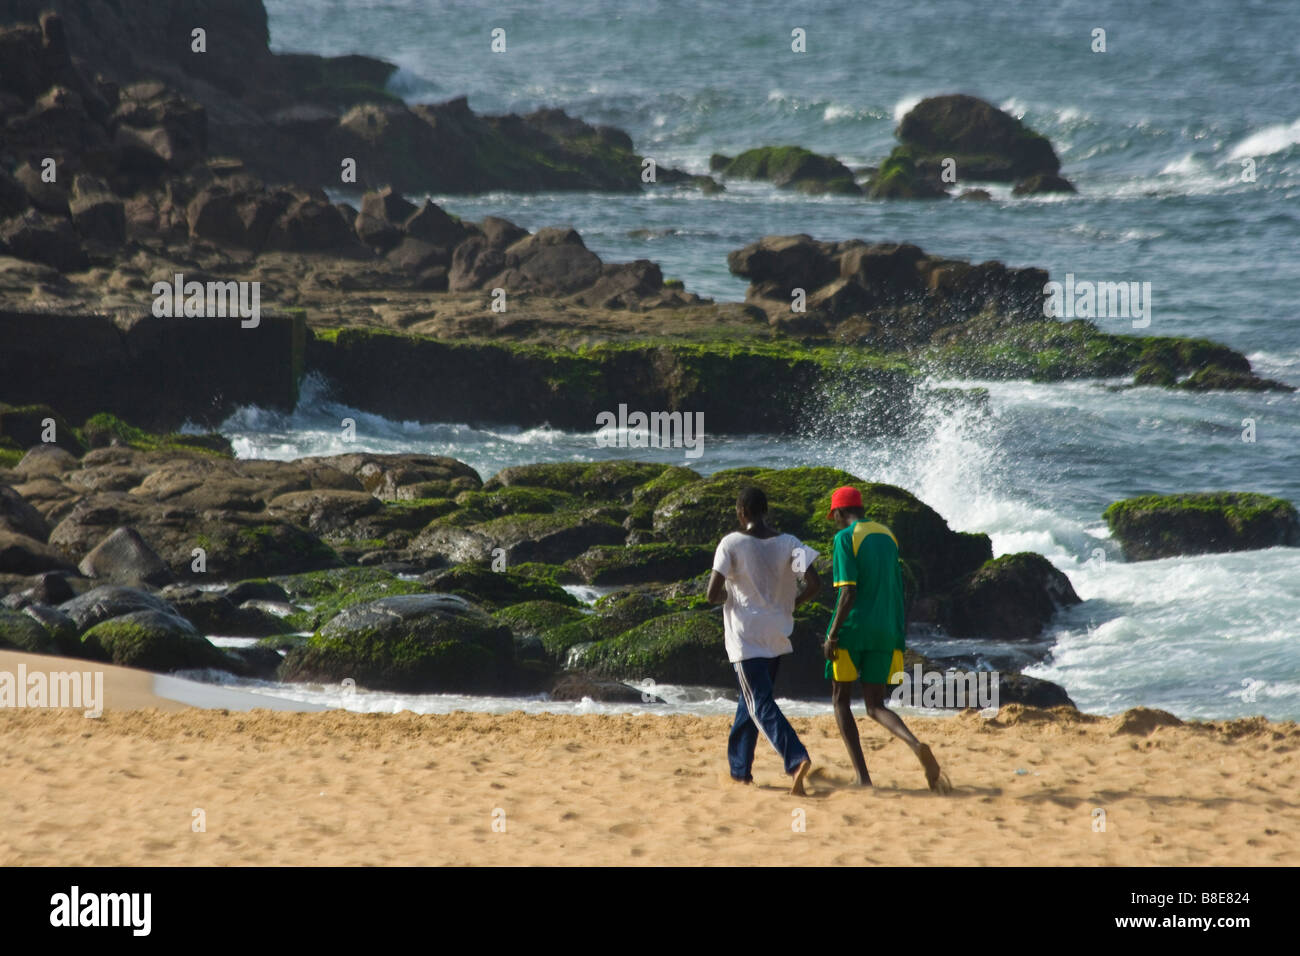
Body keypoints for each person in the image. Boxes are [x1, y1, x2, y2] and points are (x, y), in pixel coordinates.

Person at [823, 485, 950, 793]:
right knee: (876, 704)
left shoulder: (844, 538)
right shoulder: (887, 535)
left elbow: (848, 591)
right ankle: (915, 744)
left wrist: (832, 634)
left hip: (854, 629)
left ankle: (863, 778)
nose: (835, 522)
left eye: (834, 516)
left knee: (841, 700)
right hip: (887, 628)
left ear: (840, 512)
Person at [707, 486, 821, 794]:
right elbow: (814, 583)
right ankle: (740, 771)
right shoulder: (789, 543)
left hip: (747, 637)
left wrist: (725, 596)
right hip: (778, 632)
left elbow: (711, 593)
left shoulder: (730, 543)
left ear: (742, 512)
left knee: (758, 702)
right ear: (765, 510)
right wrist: (792, 605)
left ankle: (796, 759)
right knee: (751, 701)